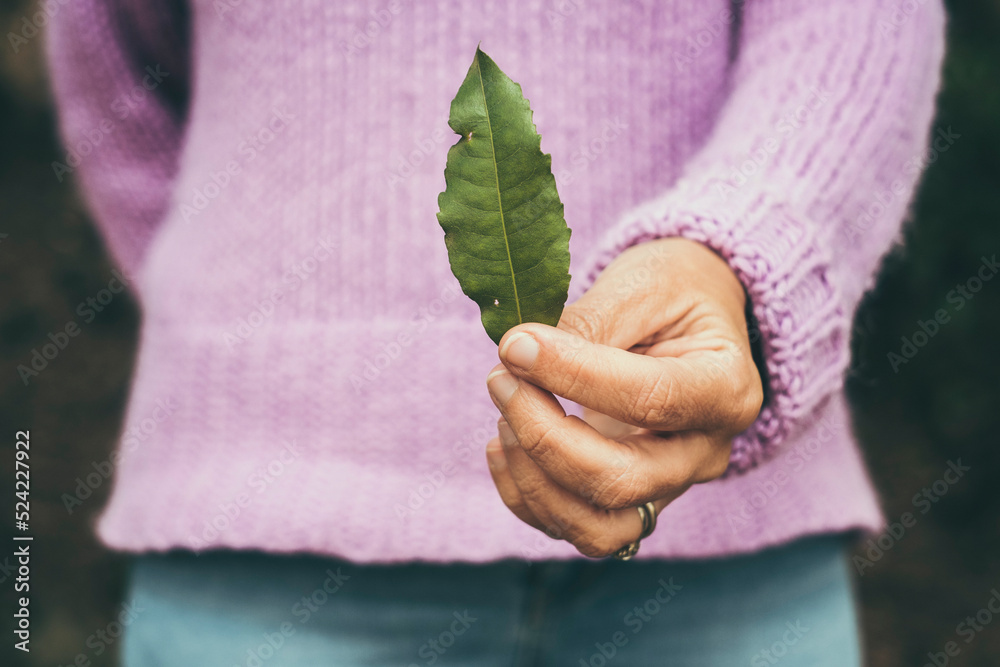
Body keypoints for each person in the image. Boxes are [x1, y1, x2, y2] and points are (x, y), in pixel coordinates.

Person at [46, 0, 945, 664]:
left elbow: (857, 25)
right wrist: (242, 336)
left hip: (729, 563)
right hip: (256, 555)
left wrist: (742, 262)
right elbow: (115, 76)